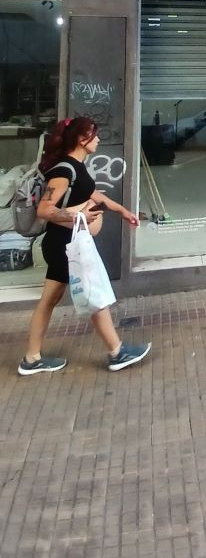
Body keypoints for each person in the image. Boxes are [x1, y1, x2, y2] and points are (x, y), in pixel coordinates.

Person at [18, 116, 151, 376]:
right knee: (93, 295)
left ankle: (31, 359)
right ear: (82, 139)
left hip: (67, 244)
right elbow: (44, 210)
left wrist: (121, 210)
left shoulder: (76, 167)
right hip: (66, 246)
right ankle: (117, 352)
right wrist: (78, 216)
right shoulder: (63, 171)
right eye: (94, 134)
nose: (98, 139)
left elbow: (92, 193)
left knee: (50, 301)